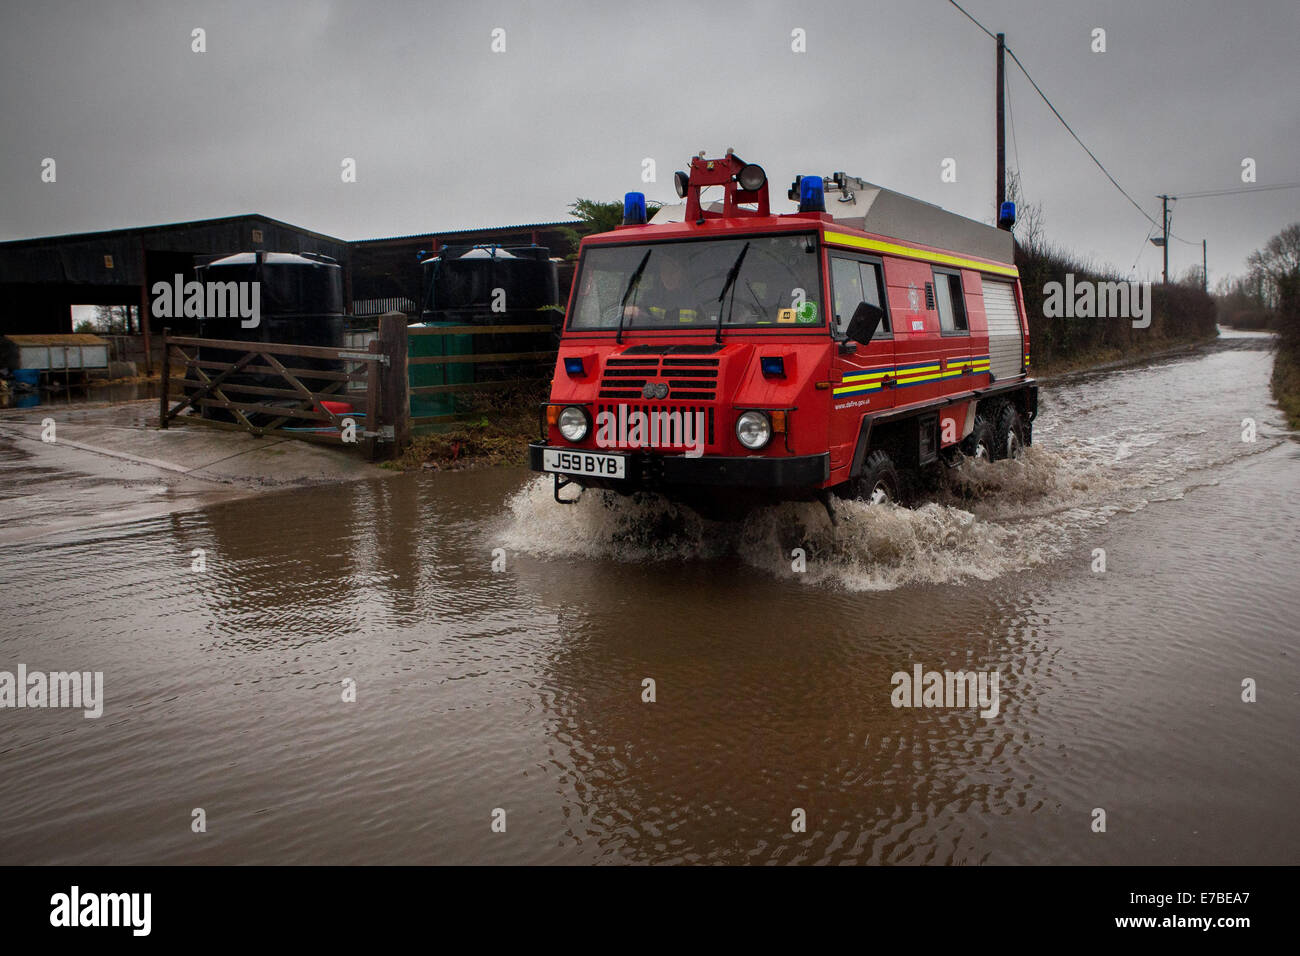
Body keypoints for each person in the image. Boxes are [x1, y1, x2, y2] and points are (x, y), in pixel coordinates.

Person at [623, 256, 704, 325]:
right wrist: (634, 313)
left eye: (672, 271)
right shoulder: (650, 297)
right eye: (664, 271)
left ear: (683, 272)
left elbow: (705, 323)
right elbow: (638, 320)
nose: (667, 276)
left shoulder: (697, 297)